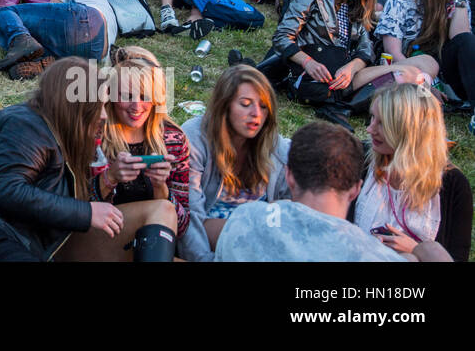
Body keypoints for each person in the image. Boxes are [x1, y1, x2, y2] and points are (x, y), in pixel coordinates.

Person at [0, 57, 177, 262]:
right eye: (99, 104)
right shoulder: (27, 125)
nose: (105, 115)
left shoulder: (62, 136)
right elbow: (9, 190)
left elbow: (55, 207)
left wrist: (105, 187)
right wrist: (86, 212)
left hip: (8, 236)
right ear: (75, 106)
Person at [215, 121, 449, 261]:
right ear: (356, 189)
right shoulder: (375, 255)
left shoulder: (244, 220)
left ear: (289, 176)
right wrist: (427, 251)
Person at [180, 65, 290, 261]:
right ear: (225, 105)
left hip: (262, 230)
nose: (256, 113)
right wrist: (202, 258)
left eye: (263, 106)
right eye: (245, 103)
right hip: (209, 228)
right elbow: (191, 212)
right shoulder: (195, 137)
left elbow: (290, 208)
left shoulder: (276, 147)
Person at [258, 0, 377, 121]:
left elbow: (366, 47)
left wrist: (352, 68)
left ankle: (344, 104)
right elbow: (282, 37)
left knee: (399, 75)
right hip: (309, 69)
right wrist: (308, 62)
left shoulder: (358, 3)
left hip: (341, 72)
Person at [356, 83, 472, 260]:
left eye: (382, 124)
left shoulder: (453, 185)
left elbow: (457, 256)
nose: (370, 129)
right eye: (372, 118)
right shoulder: (361, 160)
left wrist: (416, 250)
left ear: (410, 130)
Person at [370, 0, 475, 127]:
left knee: (467, 40)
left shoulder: (456, 0)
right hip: (409, 69)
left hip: (444, 74)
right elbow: (393, 53)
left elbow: (462, 39)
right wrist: (427, 84)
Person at [99, 47, 191, 244]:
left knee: (164, 209)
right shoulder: (96, 136)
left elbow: (182, 227)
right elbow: (78, 210)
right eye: (127, 96)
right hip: (100, 242)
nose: (137, 106)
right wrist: (109, 178)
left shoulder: (173, 140)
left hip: (151, 247)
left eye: (145, 96)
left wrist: (161, 188)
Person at [0, 0, 119, 78]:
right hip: (96, 55)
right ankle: (44, 62)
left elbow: (53, 5)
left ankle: (22, 40)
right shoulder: (108, 10)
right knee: (18, 36)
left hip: (86, 17)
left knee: (5, 14)